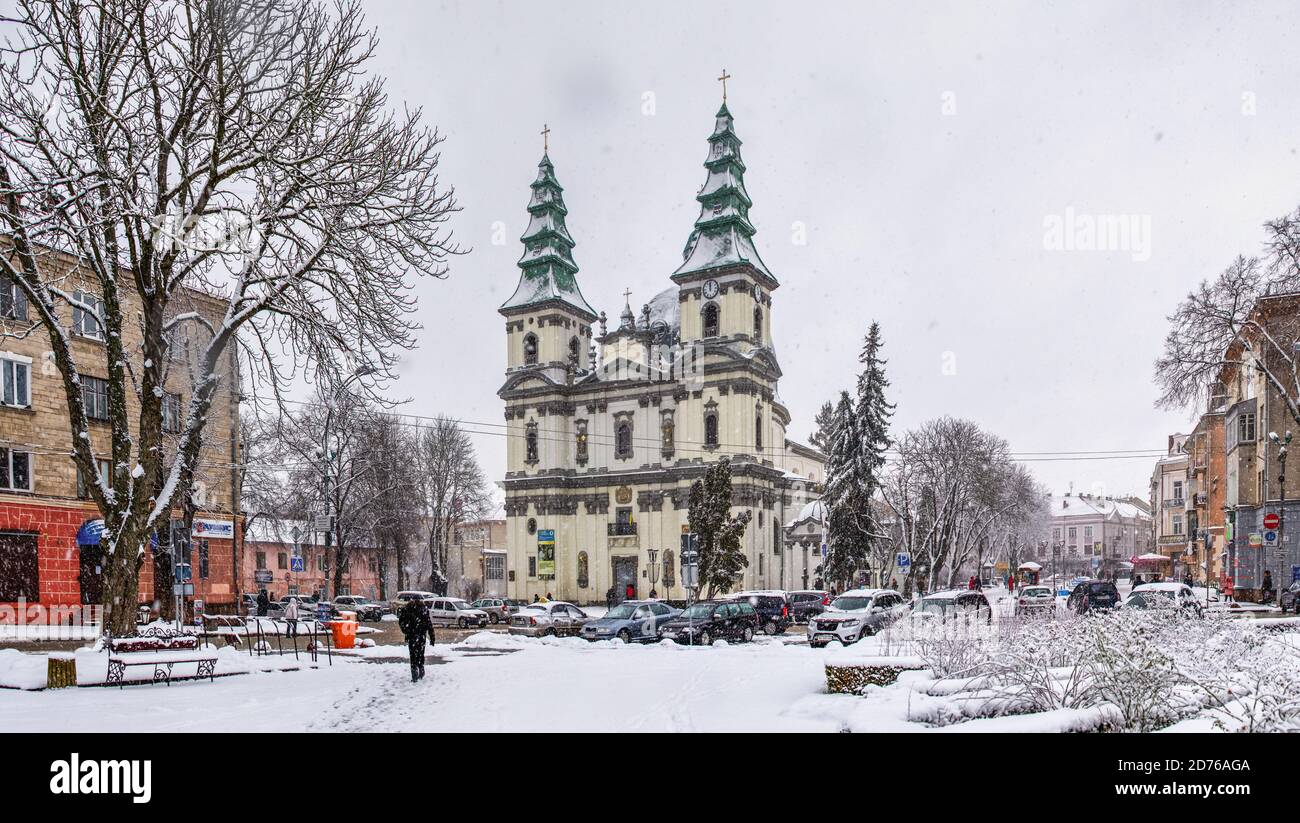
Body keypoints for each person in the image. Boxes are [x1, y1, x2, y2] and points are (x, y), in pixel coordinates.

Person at [398, 597, 435, 682]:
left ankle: (414, 675)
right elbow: (429, 624)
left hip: (412, 636)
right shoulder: (423, 609)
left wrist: (406, 630)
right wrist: (432, 637)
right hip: (421, 636)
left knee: (413, 655)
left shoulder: (408, 609)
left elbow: (401, 622)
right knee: (420, 654)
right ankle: (421, 670)